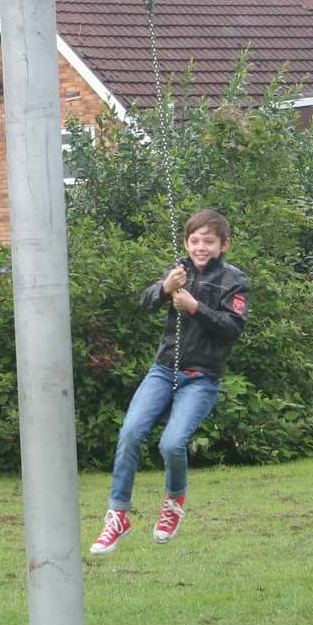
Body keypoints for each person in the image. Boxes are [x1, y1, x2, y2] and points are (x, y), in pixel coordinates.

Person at [89, 209, 250, 555]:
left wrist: (194, 307)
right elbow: (144, 302)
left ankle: (173, 503)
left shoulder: (234, 281)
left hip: (202, 378)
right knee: (130, 432)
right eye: (194, 240)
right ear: (186, 242)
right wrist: (164, 288)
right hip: (164, 370)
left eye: (209, 241)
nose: (200, 247)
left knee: (171, 445)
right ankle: (118, 515)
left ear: (224, 245)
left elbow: (232, 328)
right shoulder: (181, 269)